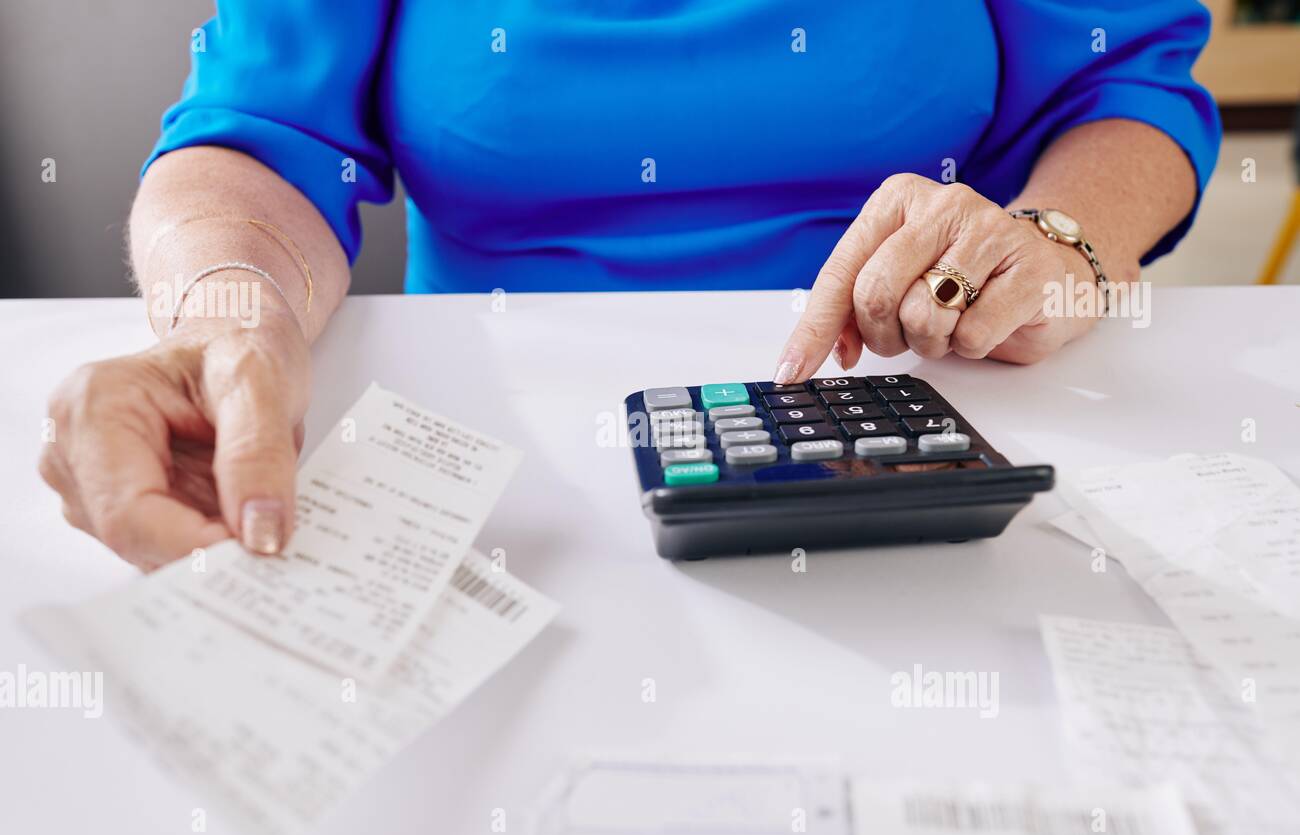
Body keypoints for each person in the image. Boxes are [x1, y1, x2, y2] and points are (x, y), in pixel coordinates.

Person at [39, 1, 1220, 569]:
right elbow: (254, 137)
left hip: (947, 432)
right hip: (507, 468)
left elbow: (1125, 87)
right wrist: (229, 317)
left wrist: (1063, 240)